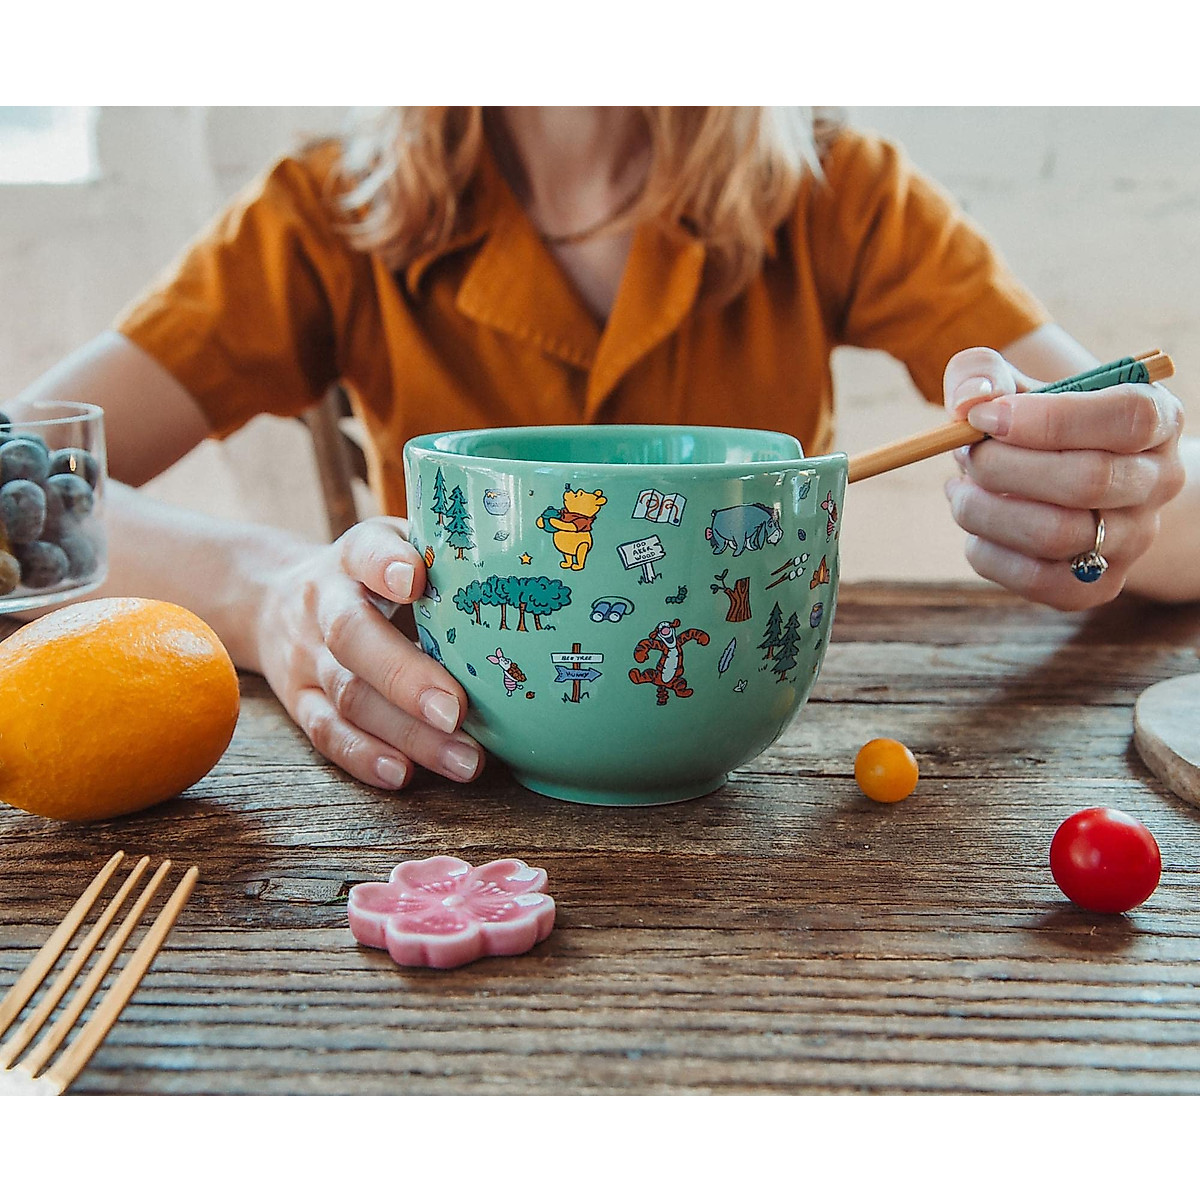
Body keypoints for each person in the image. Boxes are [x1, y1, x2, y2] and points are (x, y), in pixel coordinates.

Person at [12, 106, 1196, 794]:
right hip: (454, 782)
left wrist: (1112, 484)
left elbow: (1178, 536)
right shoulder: (315, 217)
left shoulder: (845, 196)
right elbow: (20, 481)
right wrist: (264, 586)